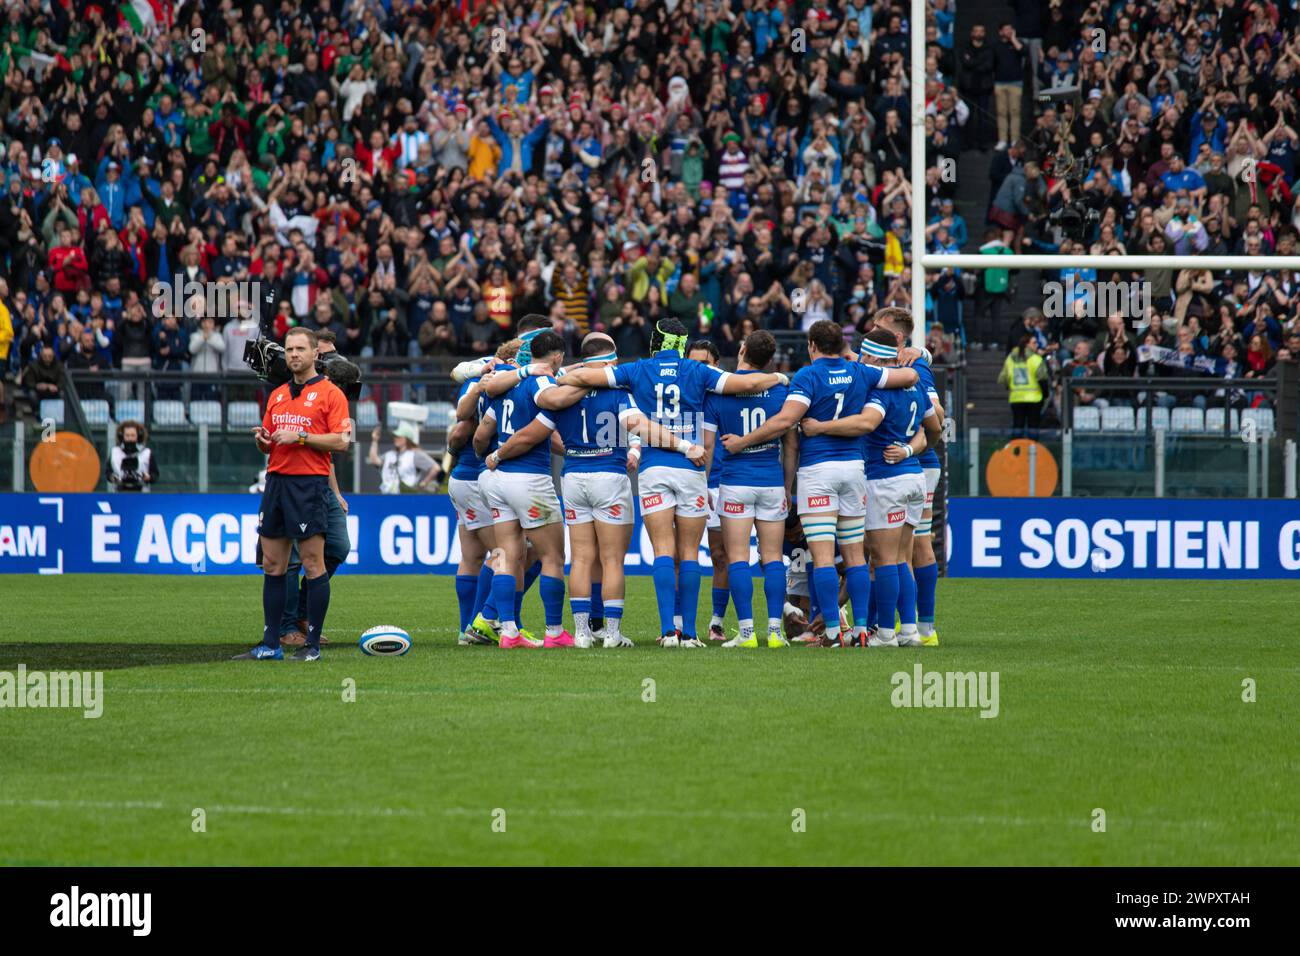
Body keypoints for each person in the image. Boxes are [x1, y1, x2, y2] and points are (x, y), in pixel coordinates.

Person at [558, 317, 788, 647]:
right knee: (690, 553)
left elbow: (580, 375)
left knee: (663, 551)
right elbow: (749, 386)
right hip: (690, 465)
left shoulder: (636, 370)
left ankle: (668, 631)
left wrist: (562, 372)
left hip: (653, 468)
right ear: (682, 345)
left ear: (656, 340)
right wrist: (778, 376)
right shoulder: (699, 372)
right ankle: (690, 633)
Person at [721, 319, 919, 647]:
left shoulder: (807, 377)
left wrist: (742, 442)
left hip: (818, 472)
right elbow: (909, 375)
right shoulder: (861, 372)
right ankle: (859, 631)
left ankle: (830, 630)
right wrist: (918, 353)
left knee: (823, 556)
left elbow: (785, 420)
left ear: (812, 346)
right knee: (856, 556)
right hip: (855, 469)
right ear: (841, 346)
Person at [801, 327, 940, 646]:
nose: (860, 359)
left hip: (885, 479)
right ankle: (910, 631)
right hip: (914, 476)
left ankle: (887, 634)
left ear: (875, 355)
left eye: (864, 354)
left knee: (885, 559)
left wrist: (820, 426)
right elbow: (934, 427)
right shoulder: (913, 381)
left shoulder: (879, 390)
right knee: (904, 557)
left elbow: (866, 423)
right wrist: (910, 450)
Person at [235, 328, 350, 662]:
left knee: (313, 563)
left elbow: (341, 441)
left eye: (300, 349)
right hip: (277, 481)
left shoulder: (331, 394)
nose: (294, 355)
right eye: (289, 349)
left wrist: (300, 437)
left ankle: (311, 645)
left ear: (316, 354)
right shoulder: (278, 395)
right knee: (273, 564)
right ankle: (270, 644)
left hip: (308, 484)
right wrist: (263, 440)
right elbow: (271, 440)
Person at [473, 329, 577, 649]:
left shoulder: (509, 381)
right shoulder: (540, 384)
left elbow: (483, 429)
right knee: (552, 557)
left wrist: (492, 455)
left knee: (507, 555)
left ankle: (508, 631)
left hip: (498, 480)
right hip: (529, 479)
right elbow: (538, 426)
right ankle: (554, 631)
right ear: (557, 356)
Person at [701, 330, 796, 648]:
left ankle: (745, 634)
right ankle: (774, 632)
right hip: (770, 481)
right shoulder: (781, 392)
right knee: (772, 558)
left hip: (735, 483)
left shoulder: (719, 393)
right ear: (770, 360)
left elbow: (709, 445)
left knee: (737, 557)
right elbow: (791, 444)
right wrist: (787, 486)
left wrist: (703, 485)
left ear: (742, 350)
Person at [870, 307, 944, 647]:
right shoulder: (907, 362)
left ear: (897, 338)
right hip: (912, 464)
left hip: (909, 462)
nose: (871, 332)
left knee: (912, 547)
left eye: (878, 328)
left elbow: (937, 416)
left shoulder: (915, 368)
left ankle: (915, 628)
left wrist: (910, 447)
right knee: (902, 551)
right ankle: (914, 628)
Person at [688, 339, 731, 642]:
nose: (700, 369)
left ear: (717, 365)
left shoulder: (726, 394)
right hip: (684, 483)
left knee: (721, 555)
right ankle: (677, 624)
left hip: (720, 483)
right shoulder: (681, 395)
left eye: (706, 363)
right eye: (694, 363)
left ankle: (716, 622)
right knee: (681, 555)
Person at [368, 421, 442, 494]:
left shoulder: (415, 454)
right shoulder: (390, 455)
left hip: (406, 496)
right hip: (387, 496)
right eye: (395, 436)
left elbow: (435, 468)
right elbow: (374, 460)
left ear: (406, 439)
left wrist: (423, 483)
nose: (395, 438)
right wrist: (375, 440)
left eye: (399, 436)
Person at [999, 335, 1049, 439]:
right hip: (1034, 398)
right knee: (1033, 428)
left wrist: (1011, 387)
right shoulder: (1036, 359)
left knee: (1017, 426)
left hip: (1016, 397)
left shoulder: (1010, 358)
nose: (1037, 345)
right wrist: (1045, 394)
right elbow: (1042, 379)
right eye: (1034, 342)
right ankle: (1033, 452)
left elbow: (1003, 379)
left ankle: (1015, 452)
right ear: (1027, 345)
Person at [106, 420, 158, 492]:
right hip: (119, 492)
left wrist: (148, 477)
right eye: (127, 435)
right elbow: (108, 472)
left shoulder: (146, 453)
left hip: (142, 493)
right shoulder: (114, 452)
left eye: (133, 435)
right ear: (122, 436)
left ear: (138, 436)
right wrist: (112, 477)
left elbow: (155, 474)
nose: (130, 438)